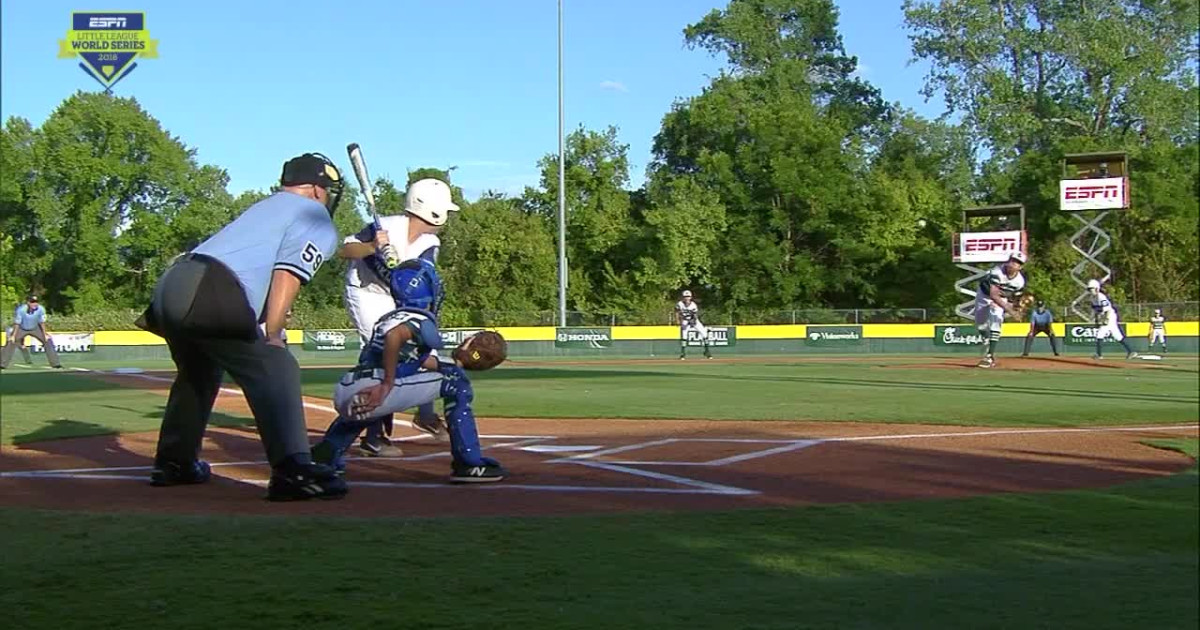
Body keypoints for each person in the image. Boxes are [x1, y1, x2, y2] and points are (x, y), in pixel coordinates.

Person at [136, 152, 349, 501]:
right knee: (275, 364)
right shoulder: (315, 216)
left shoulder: (266, 207)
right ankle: (293, 469)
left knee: (199, 373)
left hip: (173, 283)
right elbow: (288, 274)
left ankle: (175, 462)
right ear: (315, 189)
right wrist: (275, 332)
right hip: (209, 287)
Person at [310, 258, 507, 483]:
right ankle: (469, 463)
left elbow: (419, 361)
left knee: (367, 409)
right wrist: (388, 384)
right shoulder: (419, 320)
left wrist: (447, 365)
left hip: (350, 389)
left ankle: (324, 456)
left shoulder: (390, 316)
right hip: (374, 387)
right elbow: (397, 336)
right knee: (457, 383)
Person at [339, 178, 459, 455]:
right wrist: (372, 246)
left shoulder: (430, 242)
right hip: (365, 292)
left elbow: (420, 279)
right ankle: (373, 435)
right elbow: (345, 251)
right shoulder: (386, 227)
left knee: (416, 348)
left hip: (399, 299)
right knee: (382, 351)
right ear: (430, 210)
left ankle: (425, 414)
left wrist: (397, 265)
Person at [974, 251, 1027, 369]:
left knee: (996, 321)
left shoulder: (1020, 282)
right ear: (1008, 260)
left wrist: (1016, 308)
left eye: (1017, 263)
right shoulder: (996, 272)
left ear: (1020, 267)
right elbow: (993, 295)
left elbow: (1015, 297)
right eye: (1012, 260)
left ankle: (989, 357)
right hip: (984, 294)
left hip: (1001, 297)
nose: (1014, 264)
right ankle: (986, 338)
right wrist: (1011, 311)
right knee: (980, 325)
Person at [1, 295, 62, 369]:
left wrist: (45, 334)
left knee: (48, 340)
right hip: (22, 328)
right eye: (32, 302)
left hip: (35, 328)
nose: (34, 304)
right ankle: (2, 364)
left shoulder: (41, 309)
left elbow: (42, 322)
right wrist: (13, 336)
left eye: (36, 302)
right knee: (11, 341)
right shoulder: (21, 310)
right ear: (28, 303)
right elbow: (17, 323)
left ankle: (55, 363)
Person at [1086, 279, 1138, 360]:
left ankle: (1099, 355)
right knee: (1117, 336)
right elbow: (1095, 310)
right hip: (1106, 316)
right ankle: (1131, 351)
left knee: (1100, 335)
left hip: (1110, 316)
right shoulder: (1092, 298)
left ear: (1096, 288)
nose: (1090, 291)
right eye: (1089, 289)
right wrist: (1095, 320)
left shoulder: (1101, 296)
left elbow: (1107, 309)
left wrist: (1106, 319)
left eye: (1091, 288)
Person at [675, 290, 712, 360]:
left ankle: (707, 351)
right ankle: (683, 353)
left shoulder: (693, 305)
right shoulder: (679, 304)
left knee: (704, 333)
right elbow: (677, 312)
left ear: (691, 297)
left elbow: (695, 315)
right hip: (685, 320)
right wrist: (678, 321)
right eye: (685, 297)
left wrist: (693, 321)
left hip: (693, 320)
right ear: (683, 297)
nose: (687, 298)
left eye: (688, 297)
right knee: (684, 335)